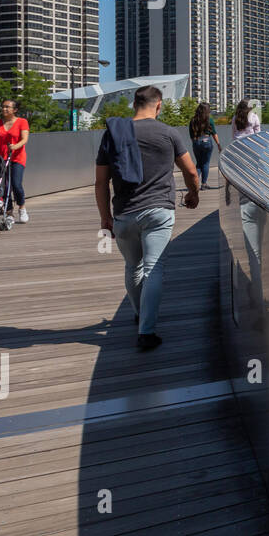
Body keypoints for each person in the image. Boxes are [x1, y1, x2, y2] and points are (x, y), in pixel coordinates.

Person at [95, 85, 200, 352]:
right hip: (158, 211)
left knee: (133, 266)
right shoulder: (168, 133)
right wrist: (193, 194)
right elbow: (190, 171)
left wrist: (105, 218)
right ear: (159, 105)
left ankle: (141, 314)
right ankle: (147, 331)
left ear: (134, 105)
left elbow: (100, 182)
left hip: (123, 213)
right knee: (154, 269)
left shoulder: (113, 134)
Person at [188, 101, 221, 189]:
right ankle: (204, 184)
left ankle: (194, 183)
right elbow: (214, 133)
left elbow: (191, 134)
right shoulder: (209, 120)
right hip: (207, 142)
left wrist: (195, 143)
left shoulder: (193, 120)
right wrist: (218, 144)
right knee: (205, 164)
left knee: (198, 164)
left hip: (196, 142)